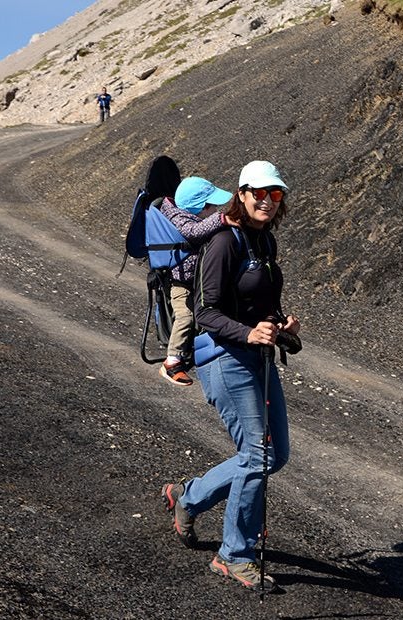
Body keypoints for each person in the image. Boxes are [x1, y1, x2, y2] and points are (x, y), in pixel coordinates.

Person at [161, 161, 300, 591]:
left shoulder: (264, 241)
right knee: (257, 456)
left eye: (274, 194)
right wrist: (248, 332)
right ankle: (234, 556)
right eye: (258, 192)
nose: (266, 200)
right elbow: (204, 311)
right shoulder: (223, 241)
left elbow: (260, 303)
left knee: (274, 456)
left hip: (257, 357)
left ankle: (188, 497)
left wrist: (280, 325)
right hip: (223, 358)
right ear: (240, 194)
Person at [157, 176, 233, 386]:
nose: (216, 209)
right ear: (198, 207)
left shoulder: (189, 214)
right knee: (186, 316)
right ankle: (171, 361)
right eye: (211, 206)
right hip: (181, 283)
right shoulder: (179, 219)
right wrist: (222, 220)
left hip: (197, 280)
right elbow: (193, 232)